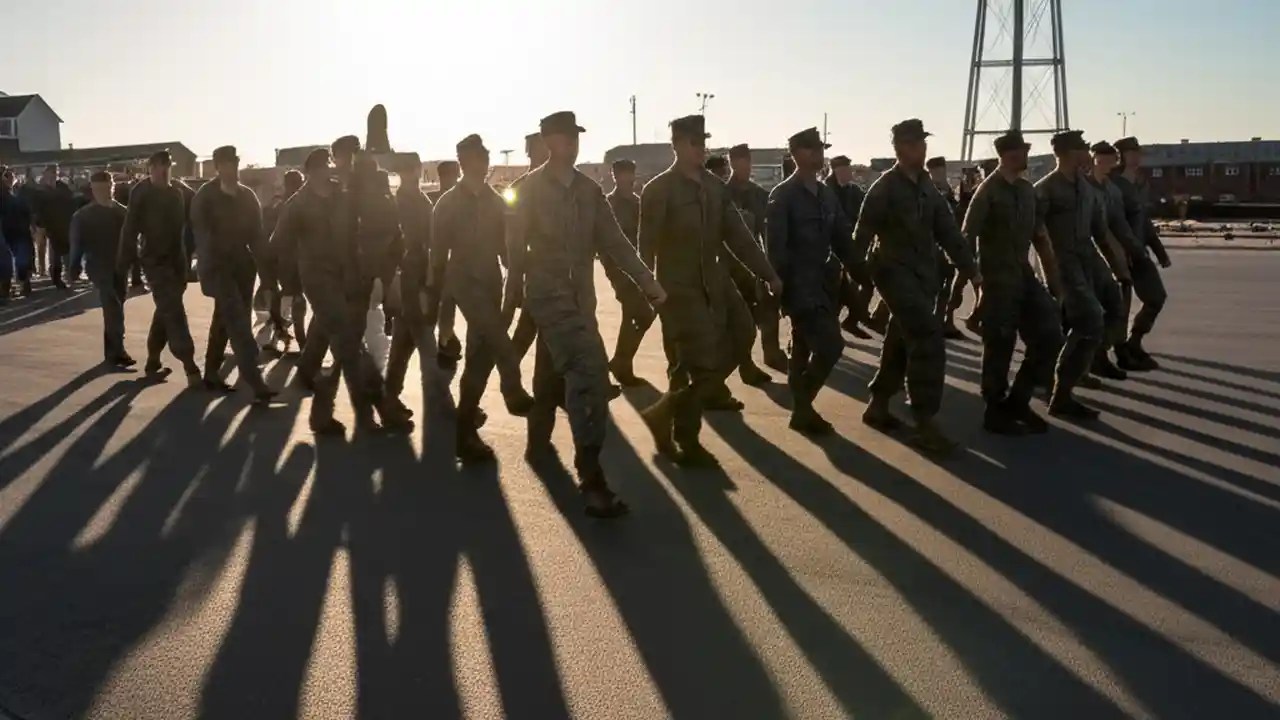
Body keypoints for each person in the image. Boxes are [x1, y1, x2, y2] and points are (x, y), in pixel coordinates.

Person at [504, 110, 666, 517]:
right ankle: (590, 477)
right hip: (547, 296)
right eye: (565, 136)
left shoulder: (589, 192)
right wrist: (515, 295)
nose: (573, 143)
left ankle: (537, 444)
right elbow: (512, 254)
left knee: (549, 371)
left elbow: (615, 243)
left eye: (575, 136)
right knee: (589, 373)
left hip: (580, 301)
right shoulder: (527, 190)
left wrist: (649, 284)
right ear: (547, 141)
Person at [636, 114, 782, 467]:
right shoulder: (659, 190)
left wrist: (767, 273)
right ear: (677, 145)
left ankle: (667, 408)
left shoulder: (715, 188)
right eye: (695, 143)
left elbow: (739, 238)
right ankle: (687, 439)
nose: (703, 149)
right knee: (695, 357)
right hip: (678, 287)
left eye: (705, 142)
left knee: (744, 333)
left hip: (716, 282)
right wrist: (647, 293)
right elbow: (645, 247)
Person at [853, 119, 981, 455]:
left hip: (922, 276)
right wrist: (855, 283)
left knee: (900, 337)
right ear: (899, 149)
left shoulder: (927, 186)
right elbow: (861, 236)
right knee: (926, 337)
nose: (921, 149)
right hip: (893, 273)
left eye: (923, 143)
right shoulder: (884, 188)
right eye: (914, 144)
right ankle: (925, 421)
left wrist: (971, 270)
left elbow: (949, 233)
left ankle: (878, 404)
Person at [427, 133, 536, 461]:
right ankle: (512, 388)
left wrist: (515, 280)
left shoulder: (496, 201)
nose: (484, 162)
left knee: (478, 360)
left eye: (485, 156)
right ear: (463, 162)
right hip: (462, 283)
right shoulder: (447, 204)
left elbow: (506, 248)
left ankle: (464, 434)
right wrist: (443, 321)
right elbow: (437, 259)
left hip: (491, 283)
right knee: (499, 340)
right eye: (478, 157)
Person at [274, 148, 397, 434]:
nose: (324, 174)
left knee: (341, 343)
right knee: (351, 347)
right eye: (317, 170)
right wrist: (285, 286)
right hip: (318, 282)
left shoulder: (343, 198)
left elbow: (364, 229)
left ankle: (319, 412)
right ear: (308, 174)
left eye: (326, 167)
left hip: (347, 279)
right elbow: (279, 244)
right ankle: (373, 413)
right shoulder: (298, 205)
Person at [960, 131, 1061, 435]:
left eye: (1027, 150)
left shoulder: (1027, 190)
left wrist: (1054, 283)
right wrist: (977, 282)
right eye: (1021, 151)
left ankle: (1018, 402)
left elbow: (1039, 236)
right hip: (997, 277)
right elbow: (966, 237)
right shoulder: (988, 191)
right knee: (1000, 344)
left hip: (1023, 274)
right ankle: (995, 409)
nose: (1026, 156)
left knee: (1049, 335)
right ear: (1008, 155)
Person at [767, 127, 863, 435]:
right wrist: (780, 290)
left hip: (825, 283)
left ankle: (801, 411)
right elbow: (776, 250)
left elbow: (842, 239)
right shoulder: (783, 196)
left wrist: (861, 270)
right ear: (796, 154)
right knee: (831, 346)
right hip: (798, 286)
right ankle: (803, 403)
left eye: (820, 148)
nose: (818, 154)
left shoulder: (825, 193)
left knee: (802, 349)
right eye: (811, 149)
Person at [189, 145, 278, 403]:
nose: (232, 168)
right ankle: (255, 381)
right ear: (217, 167)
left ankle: (210, 373)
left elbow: (258, 237)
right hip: (216, 267)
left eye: (235, 162)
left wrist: (268, 275)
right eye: (227, 163)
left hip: (242, 267)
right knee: (237, 320)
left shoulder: (247, 197)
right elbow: (203, 238)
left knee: (224, 320)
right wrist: (210, 268)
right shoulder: (205, 197)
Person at [1033, 130, 1112, 420]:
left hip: (1085, 263)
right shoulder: (1045, 189)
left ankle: (1071, 375)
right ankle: (1060, 394)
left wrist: (1116, 267)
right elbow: (1037, 235)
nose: (1088, 154)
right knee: (1089, 321)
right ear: (1068, 152)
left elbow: (1099, 231)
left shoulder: (1085, 187)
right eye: (1083, 149)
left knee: (1094, 320)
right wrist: (1052, 279)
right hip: (1063, 267)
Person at [118, 150, 203, 385]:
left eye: (167, 167)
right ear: (150, 168)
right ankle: (190, 365)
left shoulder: (180, 191)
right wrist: (124, 265)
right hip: (154, 260)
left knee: (166, 308)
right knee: (173, 309)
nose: (164, 171)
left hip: (178, 260)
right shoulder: (141, 192)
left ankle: (153, 359)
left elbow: (199, 214)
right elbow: (130, 228)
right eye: (159, 167)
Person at [1110, 136, 1171, 372]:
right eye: (1131, 153)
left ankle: (1134, 341)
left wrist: (1159, 251)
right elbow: (1109, 222)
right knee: (1121, 308)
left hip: (1140, 252)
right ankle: (1121, 351)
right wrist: (1117, 252)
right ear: (1121, 156)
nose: (1137, 157)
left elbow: (1145, 221)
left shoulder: (1140, 183)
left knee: (1156, 297)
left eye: (1138, 153)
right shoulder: (1113, 184)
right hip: (1120, 254)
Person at [727, 143, 788, 373]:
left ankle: (772, 353)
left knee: (769, 309)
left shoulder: (759, 195)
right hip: (731, 264)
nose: (744, 167)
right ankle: (745, 364)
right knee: (741, 320)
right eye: (740, 162)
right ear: (732, 163)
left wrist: (769, 265)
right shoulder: (723, 194)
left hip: (756, 262)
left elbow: (767, 231)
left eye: (747, 162)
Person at [1084, 141, 1138, 381]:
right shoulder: (1082, 188)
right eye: (1102, 160)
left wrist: (1135, 251)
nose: (1107, 166)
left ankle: (1103, 355)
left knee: (1116, 309)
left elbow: (1120, 225)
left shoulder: (1113, 191)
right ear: (1093, 159)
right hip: (1087, 258)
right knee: (1090, 313)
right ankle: (1084, 363)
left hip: (1112, 256)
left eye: (1112, 161)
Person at [69, 171, 134, 367]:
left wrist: (137, 261)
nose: (104, 192)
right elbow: (76, 244)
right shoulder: (83, 216)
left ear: (112, 187)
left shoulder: (122, 212)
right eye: (99, 189)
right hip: (98, 267)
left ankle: (111, 352)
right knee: (113, 306)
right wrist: (73, 267)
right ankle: (118, 352)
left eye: (107, 187)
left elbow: (132, 240)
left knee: (115, 307)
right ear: (93, 190)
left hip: (120, 266)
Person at [384, 153, 432, 415]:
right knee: (424, 343)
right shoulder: (408, 201)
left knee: (405, 343)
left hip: (413, 276)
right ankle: (449, 406)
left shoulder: (408, 199)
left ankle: (389, 397)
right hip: (414, 277)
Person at [603, 157, 657, 385]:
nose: (627, 178)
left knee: (632, 316)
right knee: (643, 314)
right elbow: (605, 241)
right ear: (614, 176)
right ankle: (621, 361)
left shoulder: (639, 203)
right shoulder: (608, 204)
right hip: (620, 271)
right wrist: (612, 270)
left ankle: (622, 363)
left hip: (640, 269)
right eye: (622, 174)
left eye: (630, 174)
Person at [509, 131, 549, 360]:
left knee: (535, 328)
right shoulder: (520, 188)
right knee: (528, 329)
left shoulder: (557, 182)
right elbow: (513, 237)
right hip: (533, 272)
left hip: (556, 272)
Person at [826, 154, 873, 341]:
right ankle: (834, 329)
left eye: (849, 169)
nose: (848, 173)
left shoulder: (854, 191)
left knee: (867, 282)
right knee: (836, 291)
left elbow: (868, 210)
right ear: (834, 171)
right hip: (831, 251)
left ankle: (852, 320)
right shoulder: (825, 191)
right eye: (844, 170)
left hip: (850, 249)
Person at [428, 159, 464, 368]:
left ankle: (446, 343)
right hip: (441, 264)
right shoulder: (438, 201)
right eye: (448, 175)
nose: (451, 179)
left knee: (446, 308)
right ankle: (445, 344)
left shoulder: (457, 200)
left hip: (456, 264)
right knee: (444, 308)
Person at [926, 156, 966, 339]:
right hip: (931, 246)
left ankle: (943, 321)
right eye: (937, 171)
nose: (940, 174)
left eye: (942, 170)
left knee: (946, 286)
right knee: (931, 288)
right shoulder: (927, 190)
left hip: (946, 247)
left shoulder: (948, 190)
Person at [32, 164, 78, 288]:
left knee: (63, 251)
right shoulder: (40, 190)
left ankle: (67, 276)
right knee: (50, 251)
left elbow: (71, 202)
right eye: (51, 172)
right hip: (46, 224)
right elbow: (36, 208)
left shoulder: (62, 187)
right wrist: (38, 225)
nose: (53, 175)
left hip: (62, 223)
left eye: (55, 173)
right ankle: (53, 275)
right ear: (45, 174)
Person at [1, 166, 36, 298]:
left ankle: (20, 284)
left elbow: (27, 211)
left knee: (19, 259)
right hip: (11, 230)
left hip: (17, 231)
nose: (10, 179)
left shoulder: (17, 194)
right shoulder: (11, 195)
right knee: (11, 260)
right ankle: (10, 287)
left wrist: (31, 225)